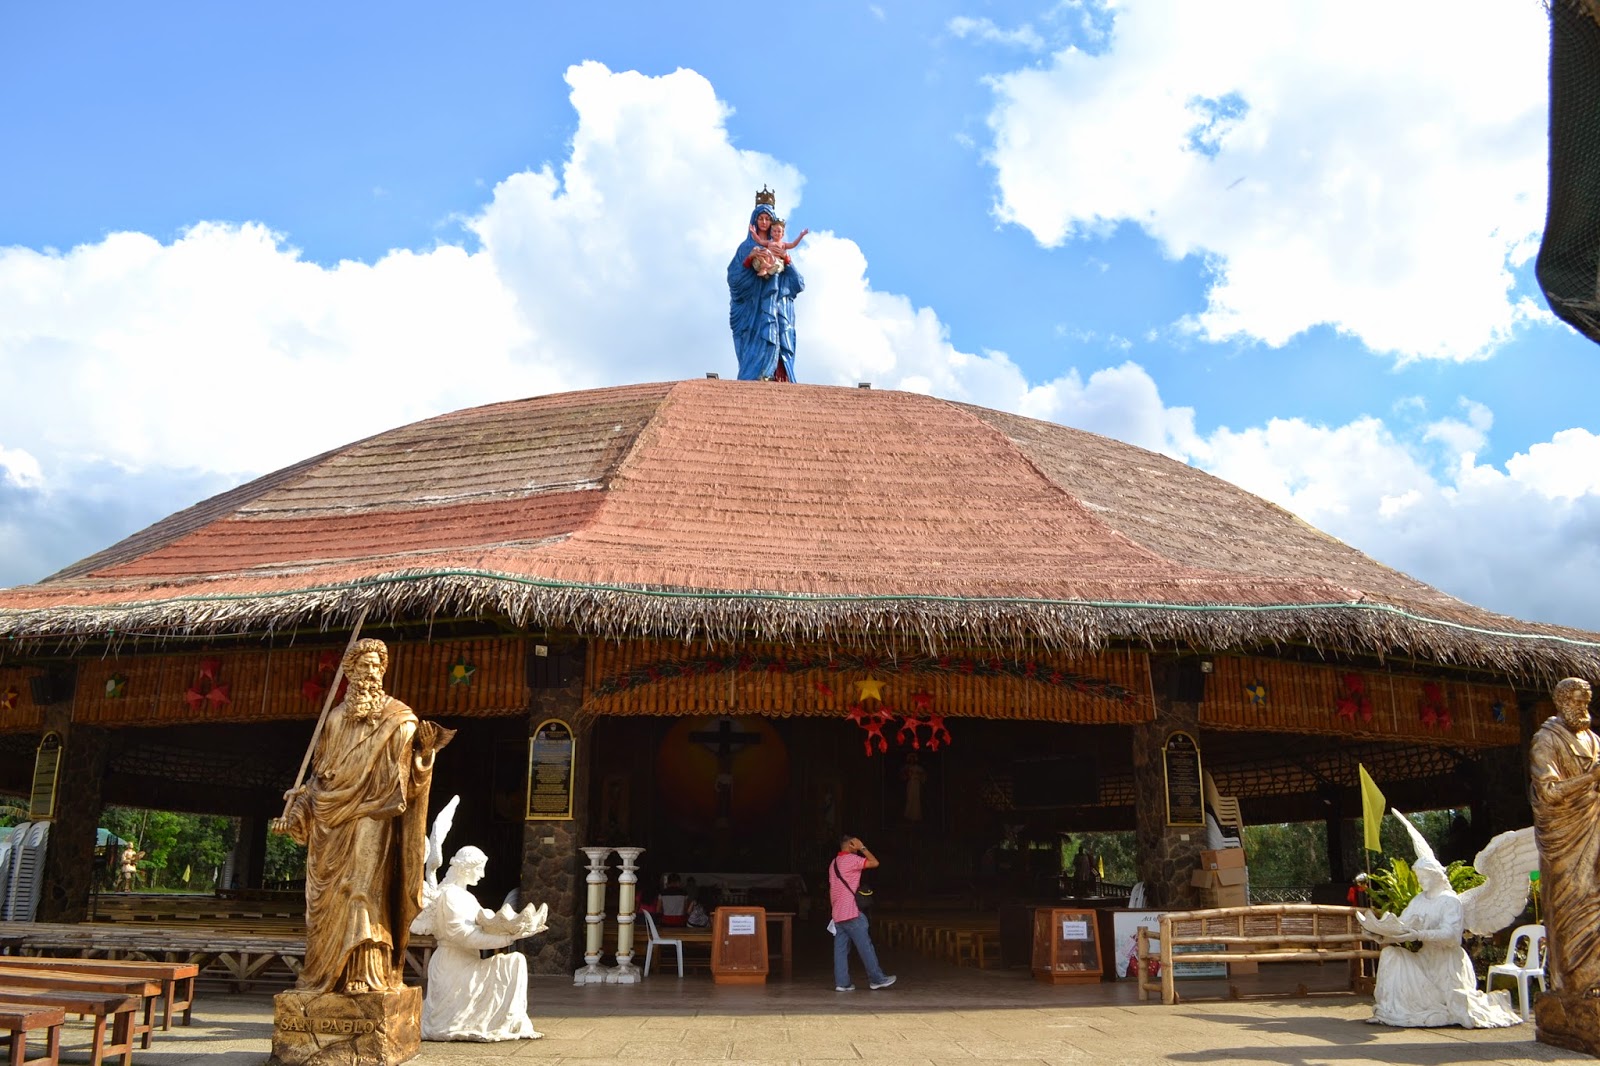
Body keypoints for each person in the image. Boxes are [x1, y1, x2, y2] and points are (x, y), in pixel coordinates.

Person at [277, 638, 454, 994]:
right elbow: (320, 778)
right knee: (330, 901)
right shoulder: (335, 720)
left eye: (376, 666)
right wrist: (299, 808)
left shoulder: (398, 718)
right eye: (363, 666)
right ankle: (328, 974)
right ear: (350, 672)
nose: (370, 672)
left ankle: (367, 972)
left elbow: (408, 778)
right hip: (331, 821)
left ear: (383, 671)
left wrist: (423, 753)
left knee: (364, 891)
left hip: (373, 812)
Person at [1359, 819, 1522, 1029]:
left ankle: (1435, 1005)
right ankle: (1391, 1008)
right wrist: (1381, 935)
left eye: (1423, 876)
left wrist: (1419, 934)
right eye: (1418, 877)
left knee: (1441, 1001)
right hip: (1425, 959)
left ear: (1435, 875)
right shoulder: (1419, 900)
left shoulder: (1450, 902)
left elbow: (1451, 937)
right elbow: (1402, 927)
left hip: (1447, 966)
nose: (1420, 881)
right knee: (1390, 955)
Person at [412, 845, 547, 1042]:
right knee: (514, 961)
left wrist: (516, 927)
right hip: (453, 967)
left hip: (469, 962)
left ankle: (509, 1021)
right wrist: (508, 939)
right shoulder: (449, 896)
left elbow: (485, 923)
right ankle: (470, 1020)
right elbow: (465, 936)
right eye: (479, 869)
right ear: (465, 868)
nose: (483, 875)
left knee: (515, 962)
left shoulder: (466, 896)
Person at [1530, 676, 1600, 998]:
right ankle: (1572, 985)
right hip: (1565, 836)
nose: (1583, 707)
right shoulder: (1546, 740)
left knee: (1596, 900)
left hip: (1593, 825)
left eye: (1586, 701)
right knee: (1572, 903)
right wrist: (1588, 779)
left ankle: (1594, 981)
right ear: (1560, 702)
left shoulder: (1594, 740)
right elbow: (1548, 792)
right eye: (1576, 701)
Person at [728, 192, 805, 382]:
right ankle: (757, 374)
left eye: (767, 219)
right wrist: (750, 258)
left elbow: (798, 283)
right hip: (754, 311)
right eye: (760, 219)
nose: (764, 223)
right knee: (757, 339)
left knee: (777, 334)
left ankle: (778, 374)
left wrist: (786, 259)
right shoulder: (745, 247)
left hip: (776, 306)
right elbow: (734, 280)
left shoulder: (780, 247)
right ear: (754, 222)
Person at [828, 834, 895, 992]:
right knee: (866, 946)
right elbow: (875, 862)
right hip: (851, 912)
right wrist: (863, 847)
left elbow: (832, 889)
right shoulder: (851, 860)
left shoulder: (833, 863)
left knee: (840, 950)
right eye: (855, 843)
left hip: (837, 913)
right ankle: (877, 979)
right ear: (851, 844)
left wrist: (834, 911)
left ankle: (842, 983)